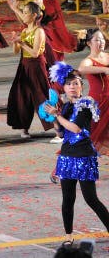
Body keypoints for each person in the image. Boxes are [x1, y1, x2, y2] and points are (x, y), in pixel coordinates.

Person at [45, 62, 109, 245]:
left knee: (91, 199)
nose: (73, 87)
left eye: (76, 83)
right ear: (64, 88)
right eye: (69, 84)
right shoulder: (66, 107)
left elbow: (76, 128)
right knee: (68, 199)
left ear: (82, 86)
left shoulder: (86, 104)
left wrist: (57, 116)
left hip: (84, 157)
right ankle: (68, 236)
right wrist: (54, 120)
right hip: (66, 157)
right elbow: (62, 134)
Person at [7, 2, 52, 139]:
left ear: (33, 15)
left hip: (37, 66)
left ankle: (57, 128)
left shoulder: (39, 31)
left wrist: (22, 43)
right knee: (22, 96)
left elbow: (35, 53)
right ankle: (24, 127)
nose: (24, 15)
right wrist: (15, 41)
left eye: (26, 13)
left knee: (42, 95)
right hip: (24, 65)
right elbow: (16, 52)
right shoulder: (25, 31)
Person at [79, 29, 109, 155]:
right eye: (97, 39)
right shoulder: (88, 60)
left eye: (102, 39)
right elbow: (81, 69)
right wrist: (104, 69)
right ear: (88, 43)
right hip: (98, 102)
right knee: (90, 138)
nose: (101, 42)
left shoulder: (107, 56)